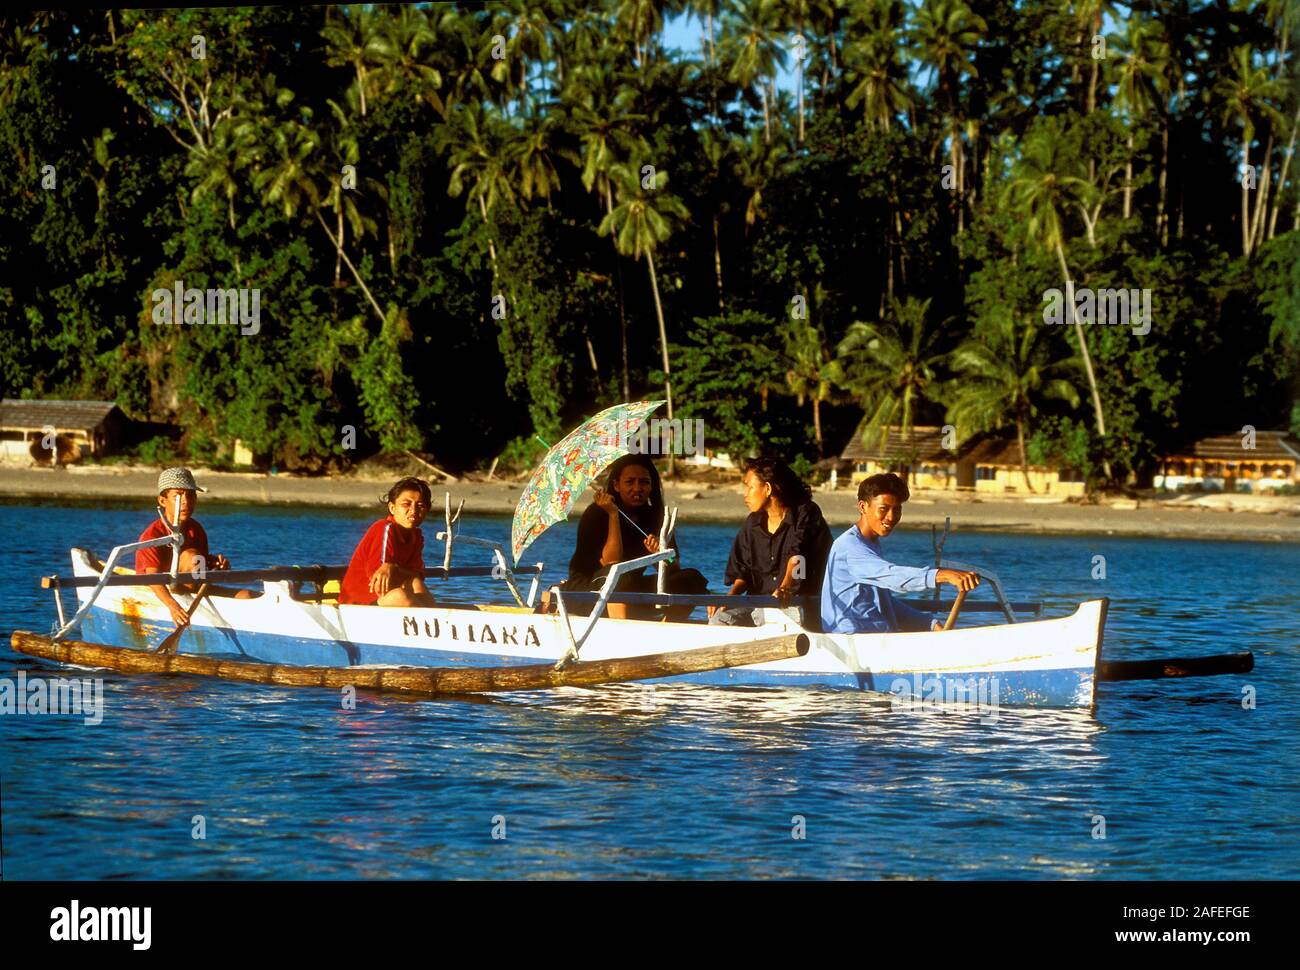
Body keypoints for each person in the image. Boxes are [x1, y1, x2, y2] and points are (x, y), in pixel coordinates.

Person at [553, 453, 708, 621]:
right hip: (588, 591)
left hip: (628, 588)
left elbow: (673, 567)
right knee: (618, 573)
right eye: (630, 482)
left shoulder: (656, 517)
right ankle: (621, 629)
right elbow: (611, 562)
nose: (637, 488)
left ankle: (666, 628)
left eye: (644, 482)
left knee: (692, 578)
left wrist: (660, 556)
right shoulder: (597, 512)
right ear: (616, 485)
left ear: (651, 486)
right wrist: (613, 515)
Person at [821, 472, 980, 634]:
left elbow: (885, 602)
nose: (891, 517)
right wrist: (942, 575)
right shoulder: (850, 547)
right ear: (863, 507)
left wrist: (929, 624)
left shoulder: (871, 544)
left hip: (876, 636)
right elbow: (893, 576)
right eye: (883, 509)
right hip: (851, 640)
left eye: (897, 509)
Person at [709, 456, 832, 629]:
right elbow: (743, 571)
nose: (745, 494)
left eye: (750, 487)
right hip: (757, 602)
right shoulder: (752, 523)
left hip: (798, 603)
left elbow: (799, 557)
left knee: (766, 615)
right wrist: (728, 599)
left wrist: (785, 587)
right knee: (719, 619)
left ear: (767, 488)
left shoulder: (806, 513)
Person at [135, 467, 254, 630]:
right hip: (166, 592)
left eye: (190, 495)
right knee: (191, 556)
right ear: (162, 501)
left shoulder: (195, 529)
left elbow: (199, 565)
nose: (186, 501)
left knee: (248, 596)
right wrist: (173, 607)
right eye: (178, 495)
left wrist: (215, 566)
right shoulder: (152, 535)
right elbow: (152, 578)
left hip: (194, 587)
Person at [339, 477, 437, 608]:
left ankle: (433, 622)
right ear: (392, 507)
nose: (413, 510)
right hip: (358, 604)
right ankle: (428, 622)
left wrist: (393, 567)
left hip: (386, 600)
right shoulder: (385, 528)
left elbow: (417, 574)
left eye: (420, 505)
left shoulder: (416, 536)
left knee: (416, 583)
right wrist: (395, 570)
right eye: (406, 504)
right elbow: (378, 576)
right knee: (401, 595)